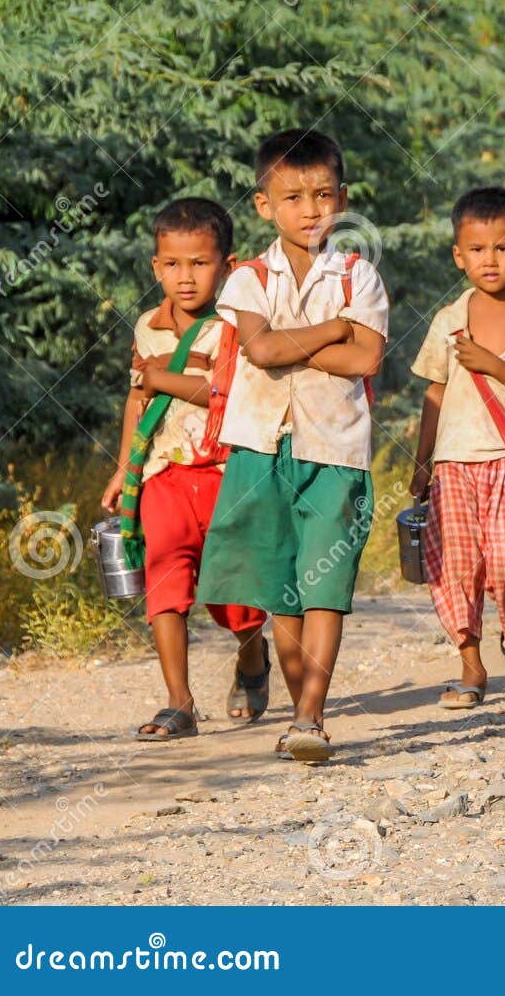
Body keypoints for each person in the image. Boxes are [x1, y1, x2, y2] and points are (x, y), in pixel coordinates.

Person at [197, 128, 389, 764]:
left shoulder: (359, 277)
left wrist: (297, 342)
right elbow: (260, 349)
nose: (310, 210)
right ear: (264, 205)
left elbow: (366, 357)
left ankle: (311, 715)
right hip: (261, 446)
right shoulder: (248, 278)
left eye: (323, 195)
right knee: (282, 589)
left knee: (324, 586)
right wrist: (333, 329)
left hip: (336, 449)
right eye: (293, 197)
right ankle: (294, 703)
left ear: (343, 199)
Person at [101, 199, 268, 740]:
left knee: (233, 594)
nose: (186, 277)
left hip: (226, 474)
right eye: (172, 264)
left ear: (228, 265)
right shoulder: (147, 328)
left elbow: (228, 395)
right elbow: (137, 400)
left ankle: (252, 654)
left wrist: (162, 380)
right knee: (165, 579)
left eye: (199, 263)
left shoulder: (236, 327)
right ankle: (180, 703)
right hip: (163, 474)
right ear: (156, 267)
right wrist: (123, 468)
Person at [409, 187, 505, 709]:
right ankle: (471, 668)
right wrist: (422, 462)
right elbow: (434, 393)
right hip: (454, 463)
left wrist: (494, 366)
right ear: (459, 256)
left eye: (502, 248)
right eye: (477, 250)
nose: (490, 260)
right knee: (457, 568)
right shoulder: (448, 321)